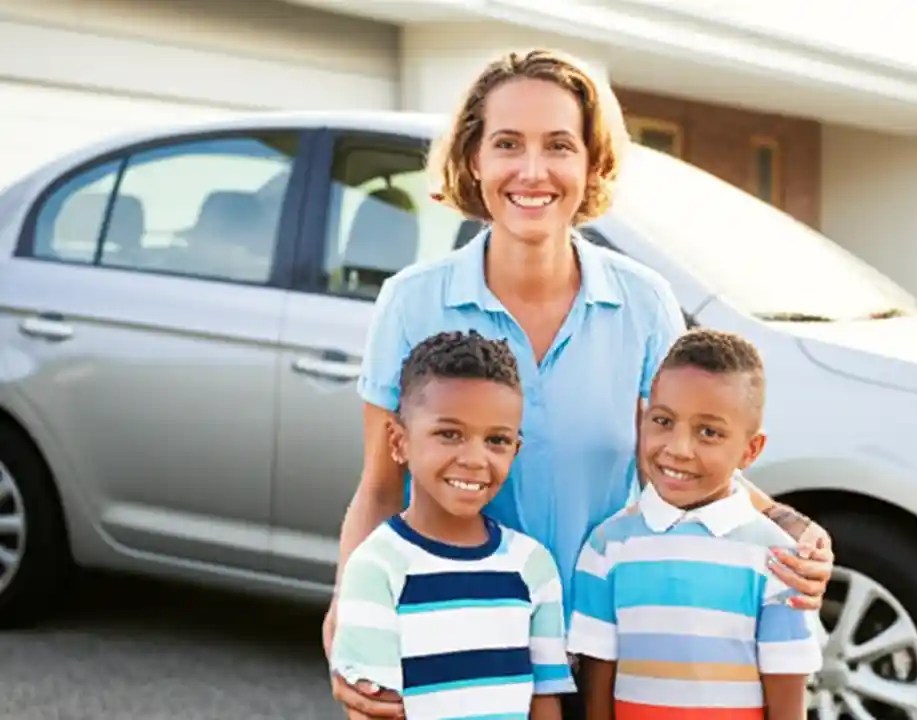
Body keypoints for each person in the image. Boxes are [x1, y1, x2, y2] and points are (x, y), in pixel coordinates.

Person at [324, 48, 835, 719]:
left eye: (559, 146)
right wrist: (348, 616)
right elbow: (380, 487)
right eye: (508, 144)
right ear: (473, 159)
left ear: (591, 164)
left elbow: (680, 457)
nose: (532, 171)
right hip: (461, 652)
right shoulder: (411, 302)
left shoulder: (643, 301)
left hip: (607, 648)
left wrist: (790, 527)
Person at [567, 328, 822, 720]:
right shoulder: (607, 547)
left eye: (709, 432)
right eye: (663, 421)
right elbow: (597, 692)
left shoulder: (779, 558)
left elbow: (788, 704)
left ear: (750, 450)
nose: (678, 449)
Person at [329, 330, 575, 719]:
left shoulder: (533, 567)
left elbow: (545, 703)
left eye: (496, 440)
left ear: (516, 449)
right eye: (449, 434)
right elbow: (371, 711)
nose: (475, 458)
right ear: (398, 441)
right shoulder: (377, 568)